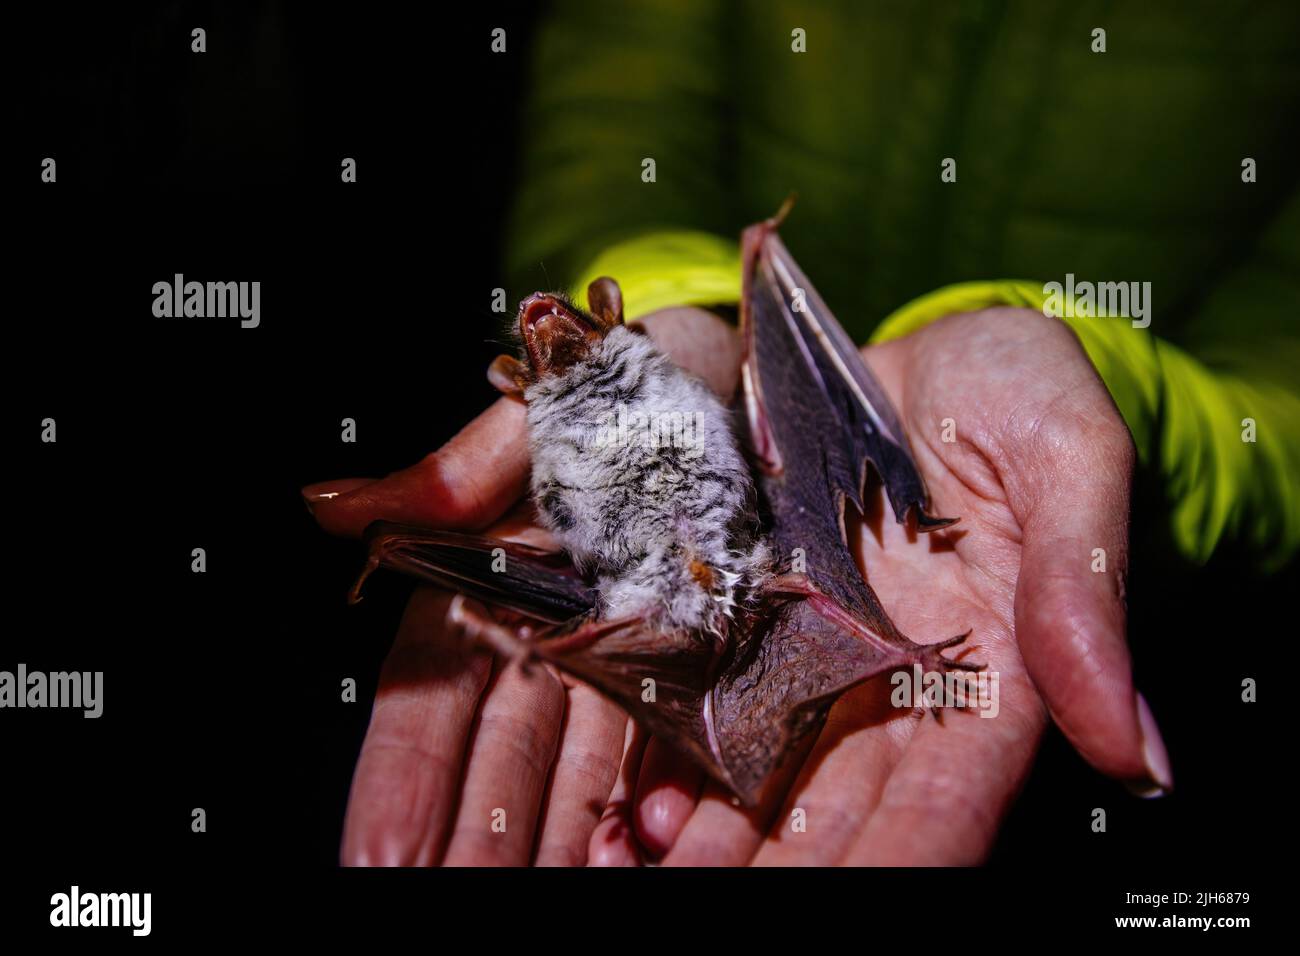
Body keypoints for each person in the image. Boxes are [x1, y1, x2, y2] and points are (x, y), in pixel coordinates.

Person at [303, 1, 1299, 865]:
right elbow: (615, 127)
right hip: (704, 512)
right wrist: (669, 308)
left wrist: (1129, 398)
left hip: (793, 477)